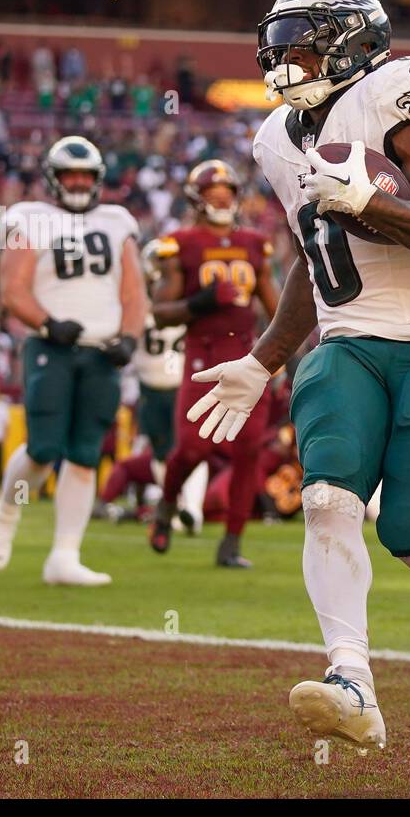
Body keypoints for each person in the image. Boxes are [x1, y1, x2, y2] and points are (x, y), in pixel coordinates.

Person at [186, 0, 410, 747]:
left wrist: (372, 202)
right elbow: (314, 253)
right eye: (280, 46)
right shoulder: (275, 136)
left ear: (350, 42)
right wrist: (266, 358)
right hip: (347, 339)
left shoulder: (400, 92)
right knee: (327, 500)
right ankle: (352, 679)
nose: (286, 62)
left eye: (303, 46)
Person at [0, 135, 146, 586]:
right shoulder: (30, 217)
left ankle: (64, 556)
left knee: (85, 454)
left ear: (97, 180)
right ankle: (7, 508)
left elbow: (133, 291)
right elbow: (13, 288)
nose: (77, 182)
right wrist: (48, 323)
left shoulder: (116, 221)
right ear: (54, 179)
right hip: (50, 347)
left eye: (85, 175)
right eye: (69, 174)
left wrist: (130, 338)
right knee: (43, 448)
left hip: (100, 351)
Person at [147, 161, 279, 568]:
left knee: (248, 451)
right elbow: (161, 311)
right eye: (212, 195)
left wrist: (291, 352)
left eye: (227, 194)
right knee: (193, 448)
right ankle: (167, 504)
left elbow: (275, 307)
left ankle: (231, 544)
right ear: (196, 200)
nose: (221, 201)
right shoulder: (179, 242)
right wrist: (197, 303)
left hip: (247, 356)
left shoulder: (256, 243)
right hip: (203, 358)